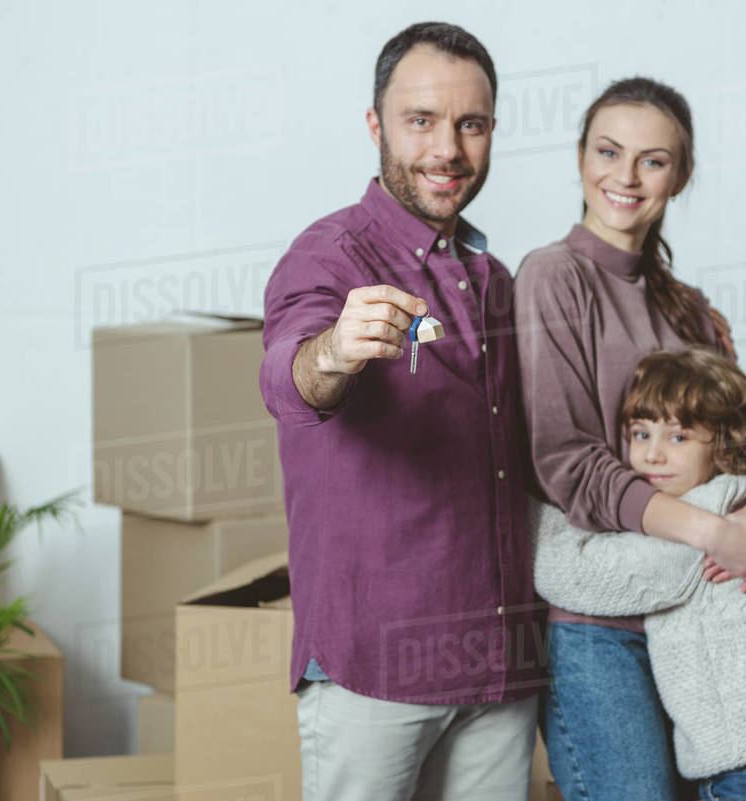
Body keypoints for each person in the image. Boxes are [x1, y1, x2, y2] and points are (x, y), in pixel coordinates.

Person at [259, 22, 544, 801]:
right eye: (421, 120)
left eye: (471, 124)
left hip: (498, 665)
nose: (447, 148)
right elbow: (290, 380)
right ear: (375, 125)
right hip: (375, 669)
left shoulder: (496, 279)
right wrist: (337, 350)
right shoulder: (329, 257)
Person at [513, 76, 746, 800]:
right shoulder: (552, 278)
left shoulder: (691, 309)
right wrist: (713, 531)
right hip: (596, 629)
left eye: (653, 159)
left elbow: (742, 446)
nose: (626, 176)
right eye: (608, 151)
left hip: (694, 619)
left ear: (682, 174)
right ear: (580, 156)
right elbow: (567, 465)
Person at [532, 348, 746, 801]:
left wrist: (526, 499)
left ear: (723, 442)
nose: (653, 455)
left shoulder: (709, 516)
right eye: (640, 434)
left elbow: (577, 575)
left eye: (678, 439)